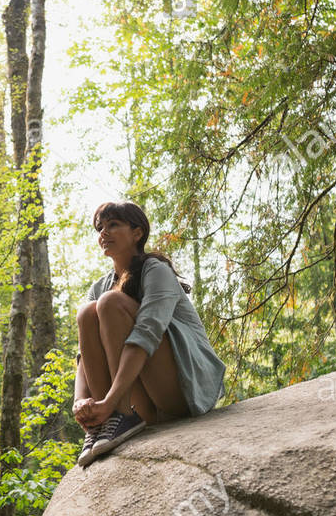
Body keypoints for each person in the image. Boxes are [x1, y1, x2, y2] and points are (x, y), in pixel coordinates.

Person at [73, 201, 225, 468]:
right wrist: (82, 402)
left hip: (181, 391)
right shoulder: (99, 287)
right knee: (88, 312)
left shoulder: (156, 270)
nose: (103, 233)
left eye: (113, 225)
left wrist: (110, 401)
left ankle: (116, 412)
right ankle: (107, 424)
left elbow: (146, 335)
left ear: (137, 233)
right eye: (100, 228)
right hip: (142, 406)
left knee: (110, 303)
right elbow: (84, 357)